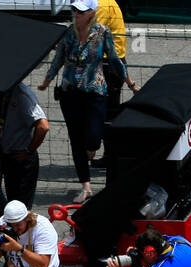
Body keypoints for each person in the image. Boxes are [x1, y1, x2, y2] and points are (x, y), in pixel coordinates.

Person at [38, 0, 137, 205]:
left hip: (95, 91)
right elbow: (58, 59)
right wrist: (46, 81)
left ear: (92, 13)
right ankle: (86, 187)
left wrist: (131, 83)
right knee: (76, 139)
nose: (76, 14)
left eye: (81, 11)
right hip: (70, 92)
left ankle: (93, 149)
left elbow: (117, 61)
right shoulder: (68, 33)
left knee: (93, 137)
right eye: (74, 10)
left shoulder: (102, 32)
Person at [0, 83, 50, 209]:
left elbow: (43, 126)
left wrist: (28, 151)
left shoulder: (22, 94)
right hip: (7, 154)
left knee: (20, 207)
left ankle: (22, 227)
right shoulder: (3, 90)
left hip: (21, 157)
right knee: (9, 200)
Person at [95, 0, 129, 166]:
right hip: (114, 63)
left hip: (108, 65)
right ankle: (111, 154)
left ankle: (112, 155)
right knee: (109, 112)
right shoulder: (108, 2)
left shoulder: (101, 5)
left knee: (105, 113)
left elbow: (93, 36)